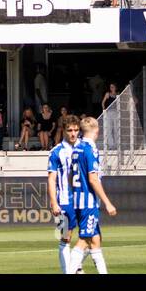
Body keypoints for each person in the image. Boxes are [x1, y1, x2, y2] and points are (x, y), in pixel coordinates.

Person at [64, 116, 116, 274]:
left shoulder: (76, 148)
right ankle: (71, 270)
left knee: (95, 240)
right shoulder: (90, 149)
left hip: (79, 201)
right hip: (88, 202)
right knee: (83, 241)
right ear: (97, 130)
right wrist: (107, 202)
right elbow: (93, 179)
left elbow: (70, 176)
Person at [46, 114, 81, 273]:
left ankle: (76, 267)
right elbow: (51, 178)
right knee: (66, 238)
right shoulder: (56, 152)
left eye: (76, 130)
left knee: (91, 238)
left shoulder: (85, 148)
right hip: (64, 201)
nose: (73, 133)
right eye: (70, 130)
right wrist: (54, 202)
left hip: (83, 200)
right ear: (64, 131)